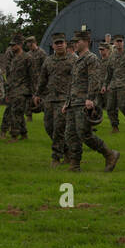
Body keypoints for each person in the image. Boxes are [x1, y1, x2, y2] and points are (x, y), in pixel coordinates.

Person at [62, 30, 119, 172]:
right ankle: (74, 165)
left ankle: (110, 154)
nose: (75, 44)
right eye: (74, 42)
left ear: (86, 42)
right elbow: (73, 83)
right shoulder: (77, 60)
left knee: (84, 134)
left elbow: (94, 79)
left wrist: (90, 98)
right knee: (70, 134)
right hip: (73, 103)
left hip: (83, 102)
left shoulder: (91, 58)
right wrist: (67, 102)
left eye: (78, 41)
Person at [35, 32, 75, 166]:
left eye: (61, 43)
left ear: (65, 44)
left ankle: (56, 157)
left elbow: (78, 79)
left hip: (64, 100)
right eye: (56, 43)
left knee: (58, 128)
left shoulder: (72, 60)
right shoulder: (48, 60)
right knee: (49, 127)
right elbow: (42, 79)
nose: (59, 45)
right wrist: (37, 94)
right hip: (49, 99)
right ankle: (67, 151)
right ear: (53, 45)